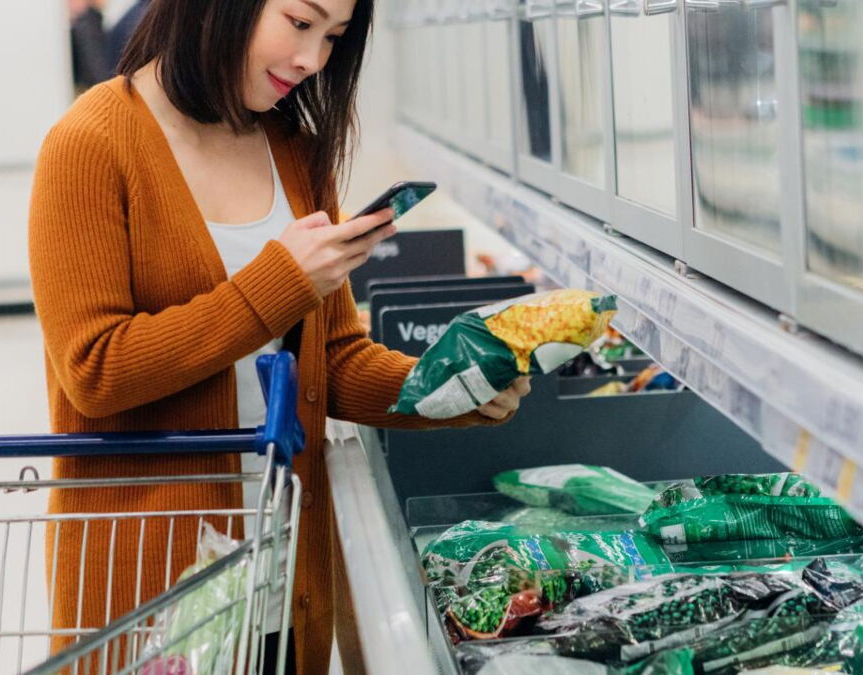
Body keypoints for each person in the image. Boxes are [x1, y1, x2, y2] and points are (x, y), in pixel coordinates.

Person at [27, 0, 531, 672]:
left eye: (334, 37)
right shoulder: (89, 144)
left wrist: (444, 388)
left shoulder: (292, 148)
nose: (313, 59)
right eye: (300, 23)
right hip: (155, 590)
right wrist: (281, 281)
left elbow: (332, 358)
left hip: (281, 566)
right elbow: (94, 370)